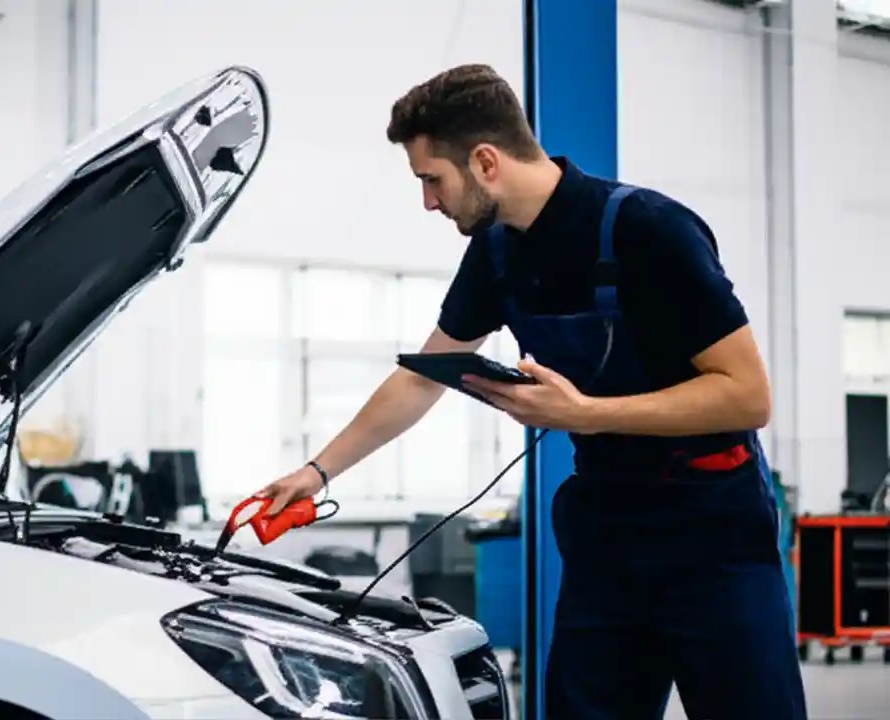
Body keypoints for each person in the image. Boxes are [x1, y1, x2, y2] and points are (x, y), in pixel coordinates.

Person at [255, 64, 807, 719]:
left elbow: (747, 396)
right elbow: (422, 376)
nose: (428, 202)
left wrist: (587, 413)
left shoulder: (649, 230)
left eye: (432, 179)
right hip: (607, 533)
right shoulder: (497, 254)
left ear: (485, 162)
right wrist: (317, 472)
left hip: (713, 538)